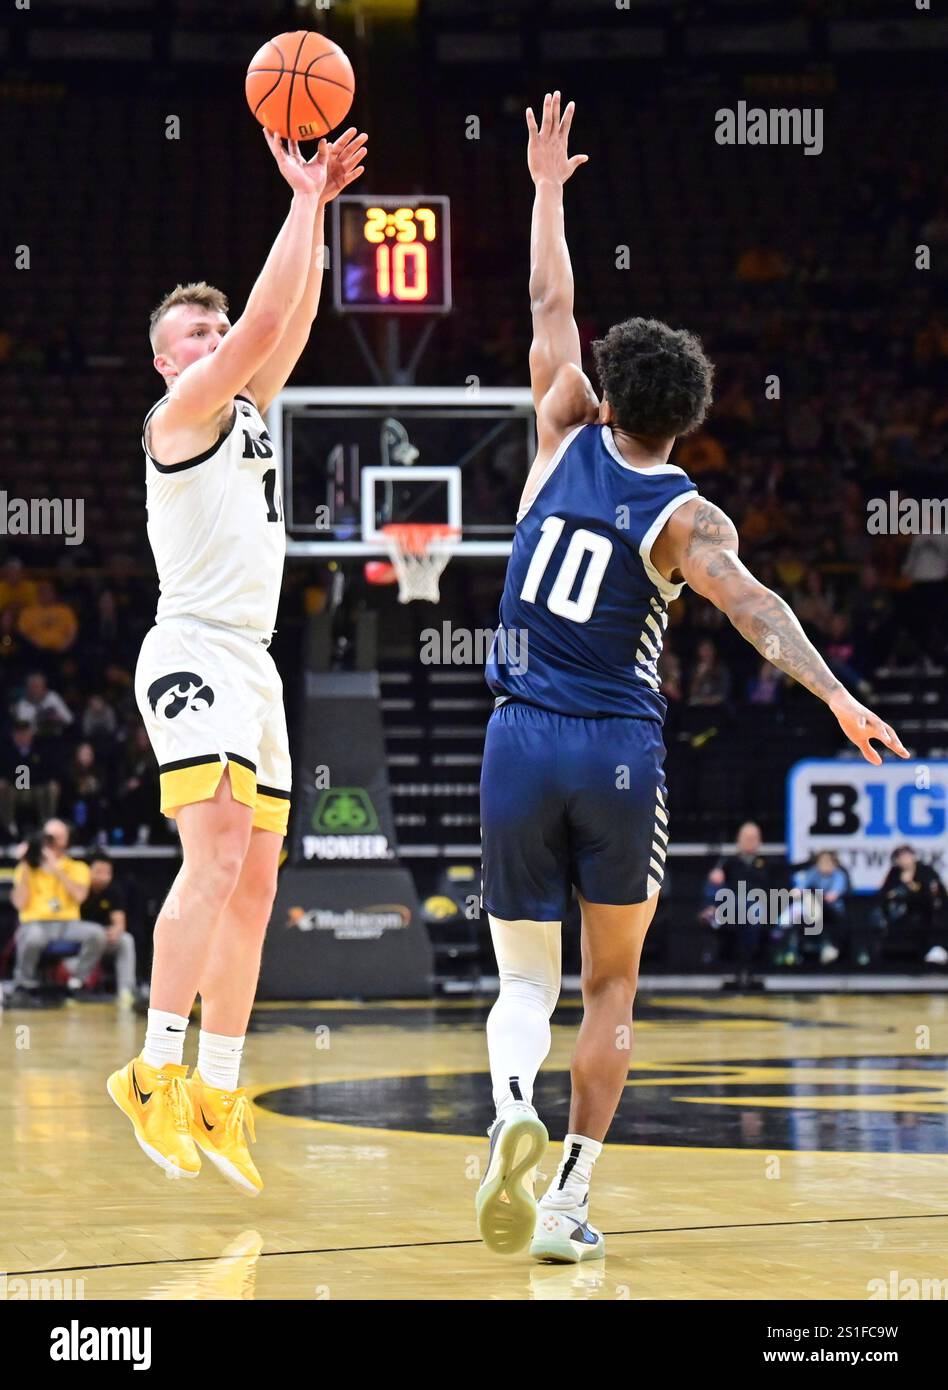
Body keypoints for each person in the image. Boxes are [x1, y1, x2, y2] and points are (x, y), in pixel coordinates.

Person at [477, 92, 909, 1264]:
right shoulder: (686, 515)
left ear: (608, 396)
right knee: (612, 986)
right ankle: (563, 1200)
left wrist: (550, 188)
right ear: (692, 423)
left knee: (527, 979)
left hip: (517, 734)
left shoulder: (561, 430)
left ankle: (510, 1115)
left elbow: (548, 300)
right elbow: (757, 608)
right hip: (617, 747)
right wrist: (835, 694)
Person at [106, 124, 366, 1192]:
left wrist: (325, 211)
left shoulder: (252, 405)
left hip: (253, 665)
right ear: (168, 358)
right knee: (209, 860)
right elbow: (262, 318)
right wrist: (299, 201)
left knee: (257, 889)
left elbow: (290, 317)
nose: (217, 337)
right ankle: (152, 1071)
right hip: (193, 651)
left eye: (215, 325)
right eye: (195, 331)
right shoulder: (177, 415)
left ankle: (216, 1090)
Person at [10, 818, 102, 1000]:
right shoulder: (27, 868)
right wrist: (26, 864)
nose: (50, 842)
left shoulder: (77, 867)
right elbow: (20, 903)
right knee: (33, 937)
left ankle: (77, 983)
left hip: (68, 924)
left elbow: (80, 897)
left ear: (67, 840)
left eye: (57, 837)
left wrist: (57, 869)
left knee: (97, 934)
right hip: (35, 923)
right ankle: (23, 985)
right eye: (48, 837)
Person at [875, 845, 948, 966]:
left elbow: (933, 895)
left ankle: (935, 949)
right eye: (900, 857)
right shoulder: (894, 873)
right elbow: (885, 892)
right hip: (899, 913)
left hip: (925, 912)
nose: (903, 860)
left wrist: (911, 885)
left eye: (906, 856)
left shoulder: (925, 871)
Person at [81, 852, 136, 1009]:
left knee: (126, 940)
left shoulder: (114, 891)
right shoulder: (79, 889)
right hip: (80, 942)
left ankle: (126, 991)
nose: (104, 877)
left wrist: (115, 931)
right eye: (99, 871)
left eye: (107, 872)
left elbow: (119, 922)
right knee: (95, 935)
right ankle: (75, 986)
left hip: (104, 939)